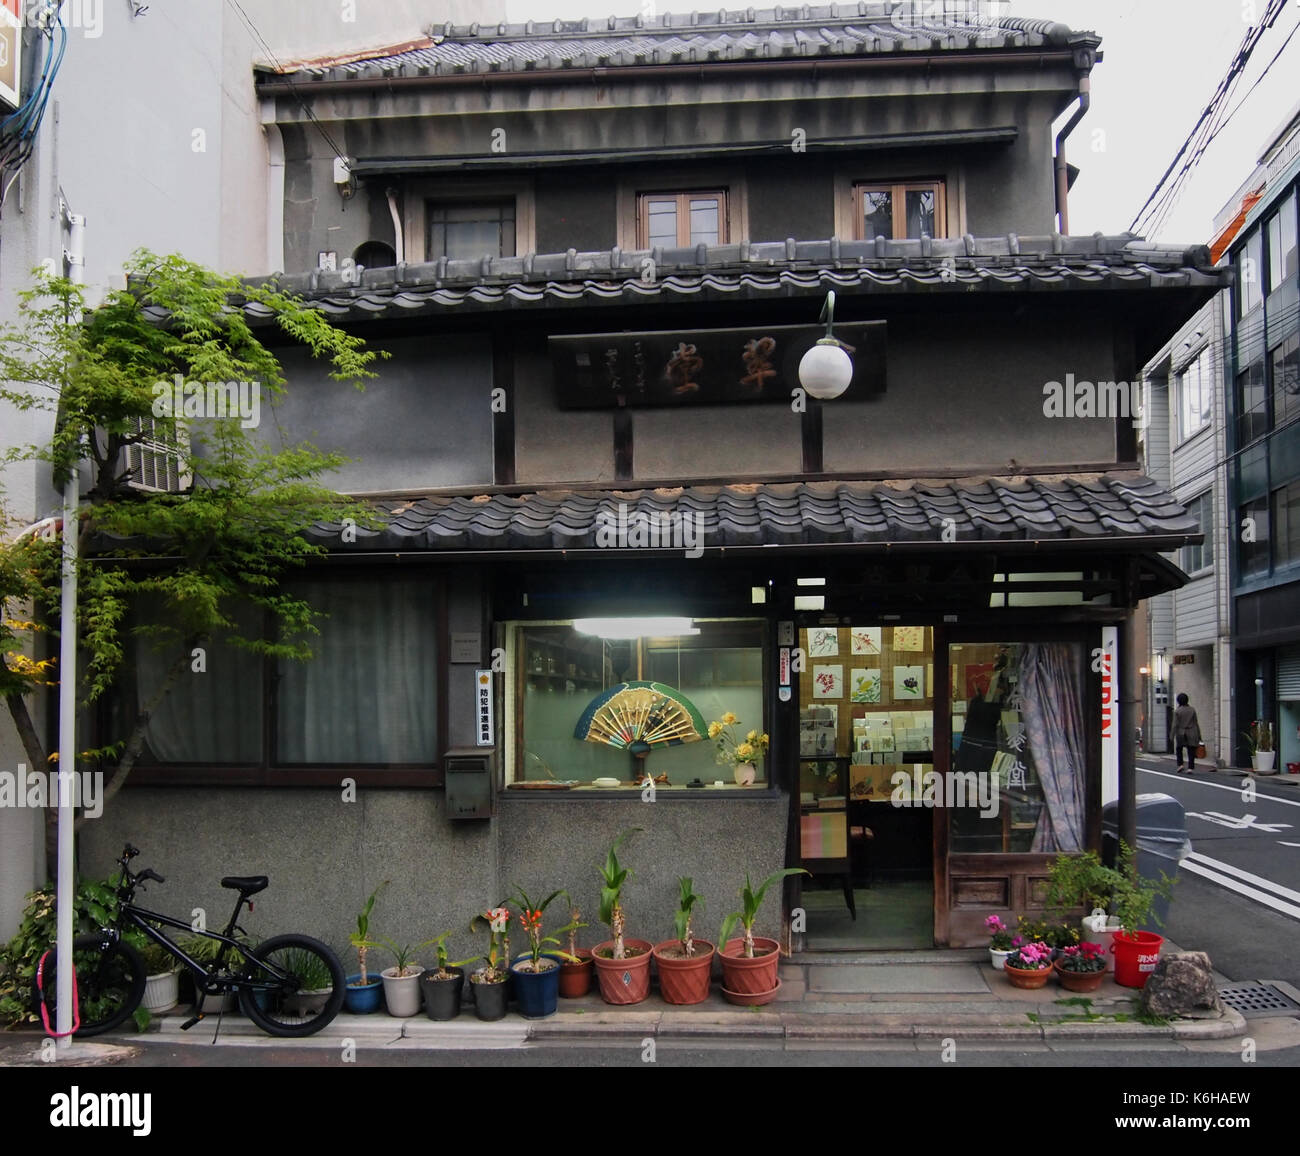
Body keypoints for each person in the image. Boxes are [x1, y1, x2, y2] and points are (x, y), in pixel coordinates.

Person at [1172, 693, 1202, 773]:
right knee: (1191, 750)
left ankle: (1180, 764)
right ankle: (1190, 768)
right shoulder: (1192, 709)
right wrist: (1199, 735)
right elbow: (1196, 722)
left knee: (1179, 749)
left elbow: (1174, 724)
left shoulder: (1177, 711)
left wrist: (1171, 735)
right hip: (1192, 731)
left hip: (1181, 732)